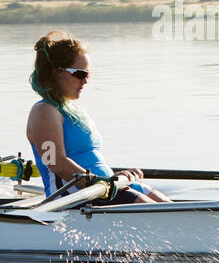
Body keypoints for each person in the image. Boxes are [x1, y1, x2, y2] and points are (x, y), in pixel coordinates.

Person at [25, 31, 167, 204]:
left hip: (102, 188)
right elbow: (56, 164)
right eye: (80, 74)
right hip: (73, 196)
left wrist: (115, 177)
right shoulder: (44, 112)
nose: (85, 81)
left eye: (88, 74)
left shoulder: (74, 110)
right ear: (56, 72)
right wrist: (98, 182)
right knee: (150, 208)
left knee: (171, 209)